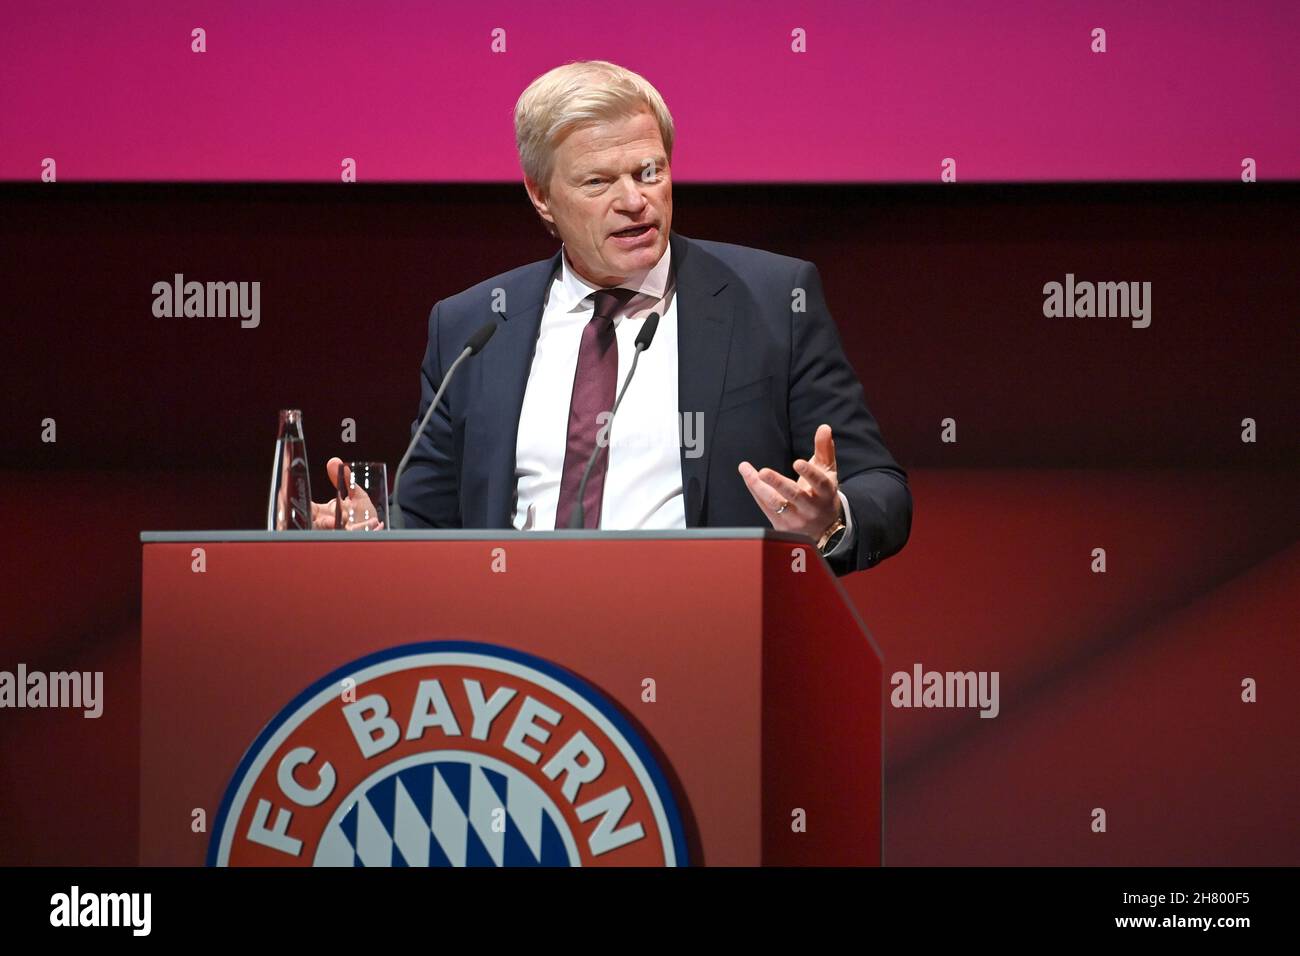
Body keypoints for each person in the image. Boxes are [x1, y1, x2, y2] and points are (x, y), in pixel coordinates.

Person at [315, 60, 910, 575]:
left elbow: (882, 490)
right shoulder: (472, 326)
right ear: (540, 195)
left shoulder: (772, 301)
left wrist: (831, 523)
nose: (633, 200)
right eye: (598, 181)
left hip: (706, 637)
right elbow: (428, 518)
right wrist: (374, 532)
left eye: (649, 171)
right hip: (518, 653)